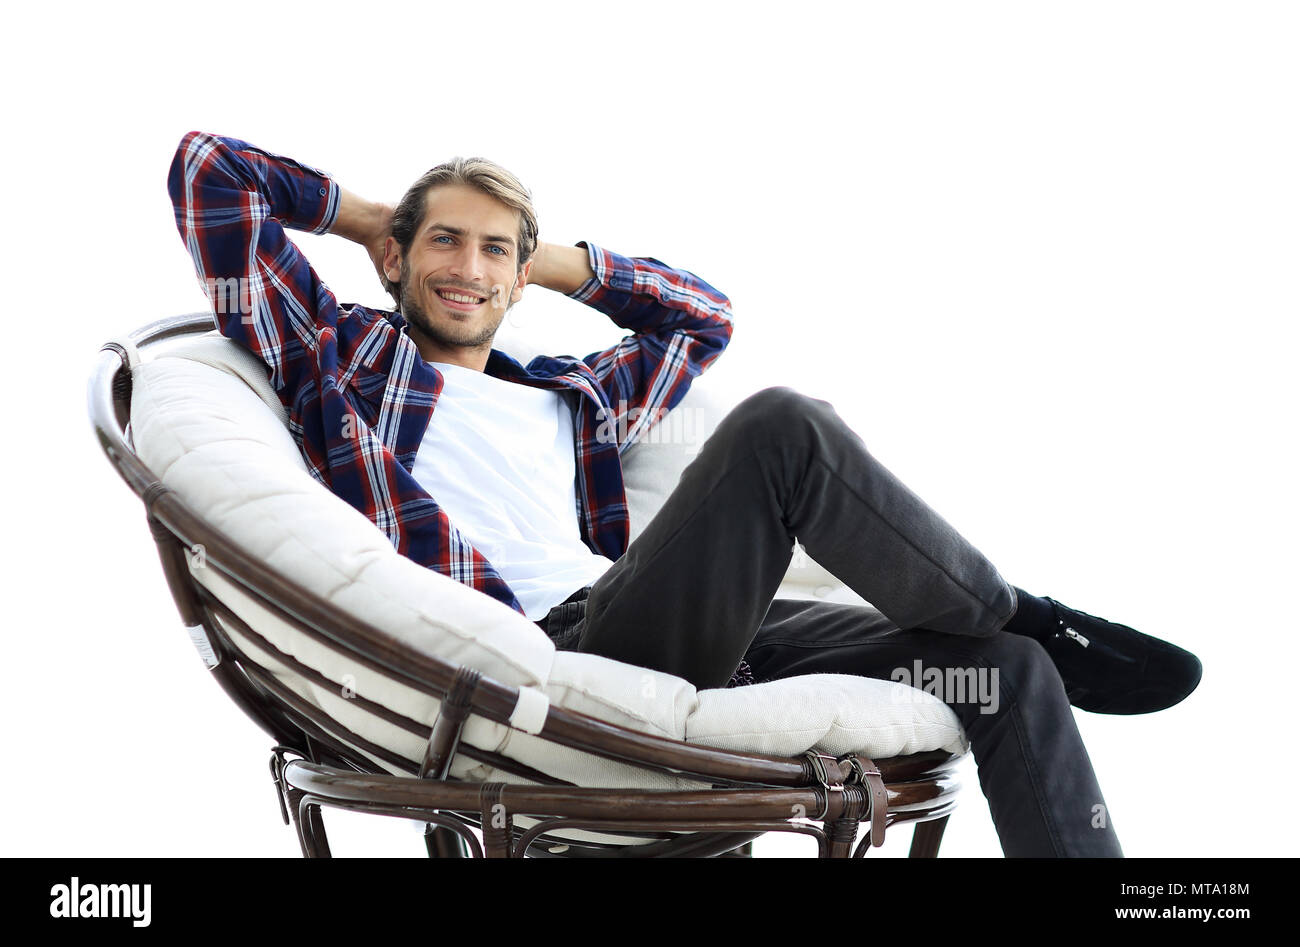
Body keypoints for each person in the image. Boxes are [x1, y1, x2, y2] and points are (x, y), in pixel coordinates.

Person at [167, 130, 1202, 857]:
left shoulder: (568, 400)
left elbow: (702, 319)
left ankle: (1022, 632)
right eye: (445, 242)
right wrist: (378, 219)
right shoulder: (345, 363)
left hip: (680, 625)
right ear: (397, 256)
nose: (468, 268)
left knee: (1004, 671)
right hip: (564, 652)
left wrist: (544, 260)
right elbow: (213, 173)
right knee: (783, 425)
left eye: (493, 249)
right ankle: (1028, 606)